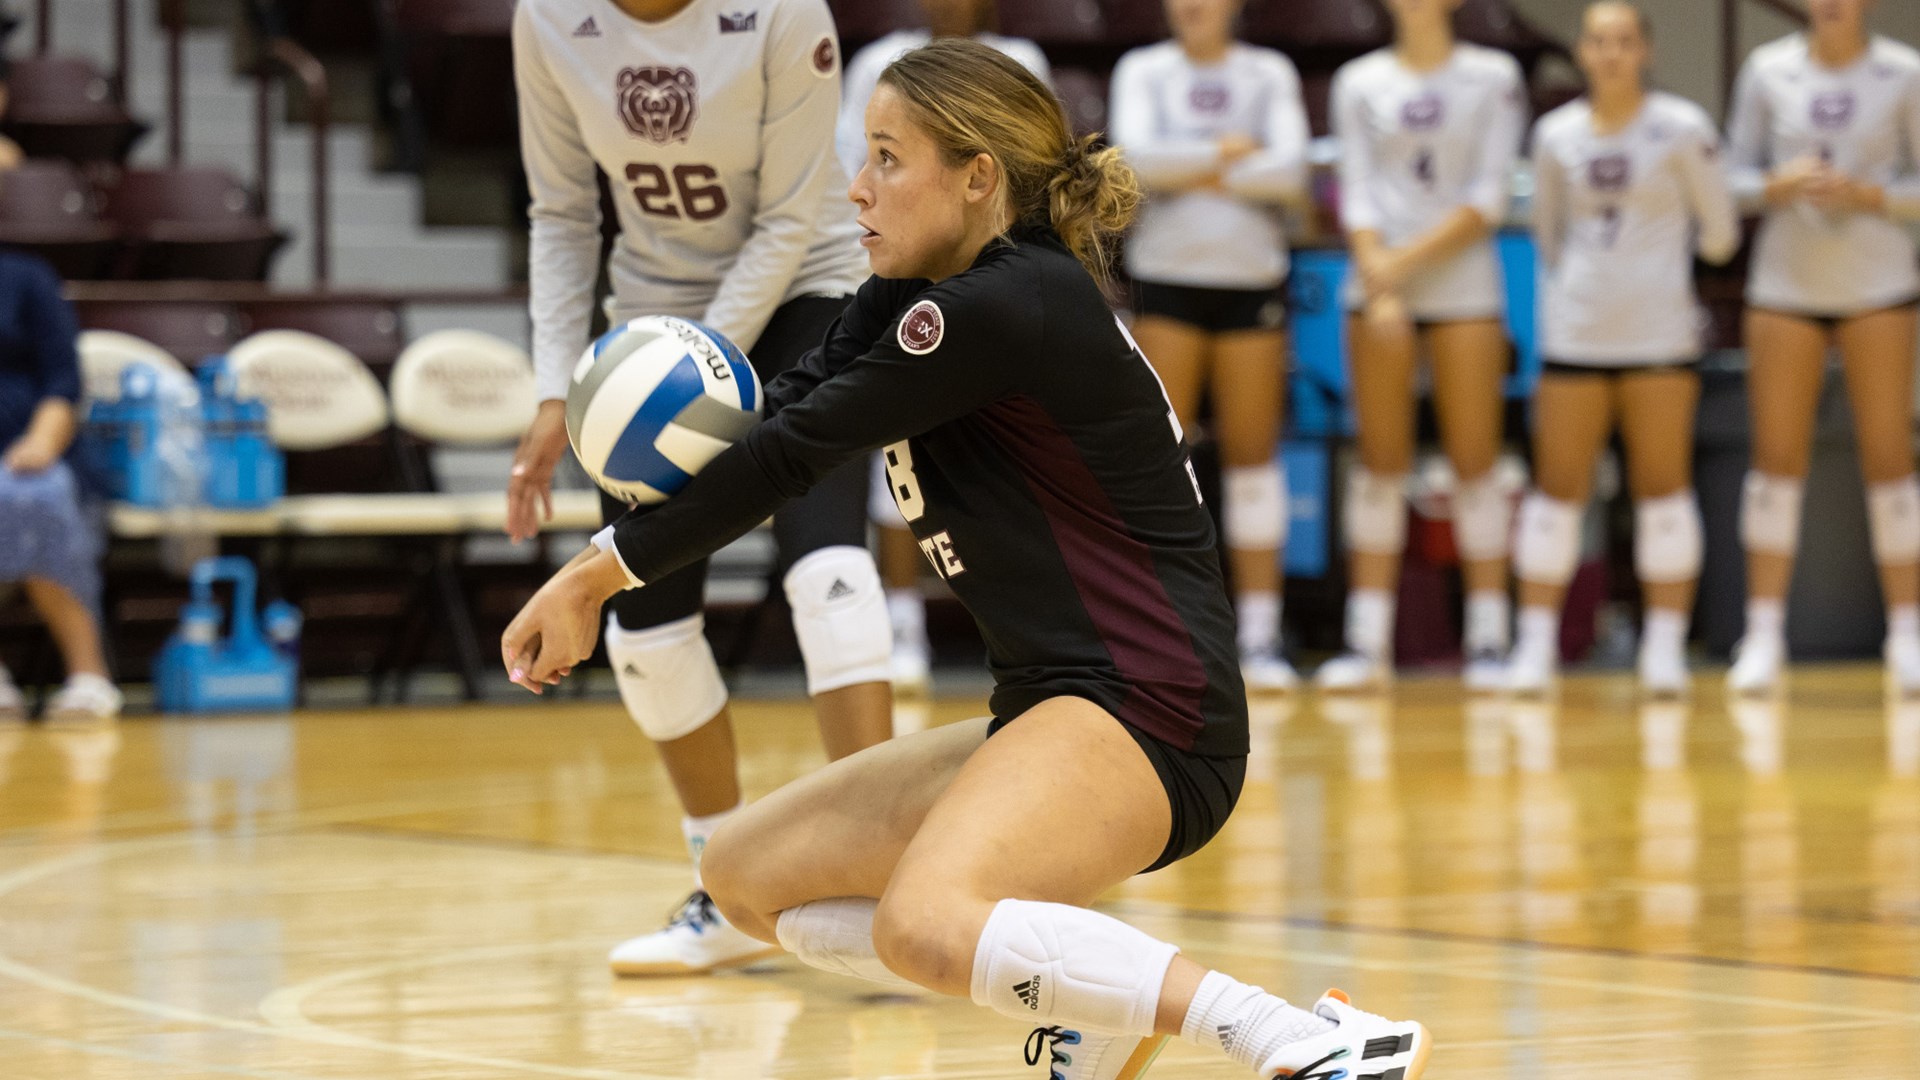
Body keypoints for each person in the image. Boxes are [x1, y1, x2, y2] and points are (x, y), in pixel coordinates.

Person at [502, 39, 1432, 1080]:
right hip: (1049, 709)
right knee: (742, 876)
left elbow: (792, 456)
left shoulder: (1004, 304)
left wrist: (594, 572)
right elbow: (779, 419)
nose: (858, 188)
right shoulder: (903, 302)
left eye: (890, 159)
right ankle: (1093, 1007)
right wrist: (664, 415)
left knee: (927, 925)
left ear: (979, 175)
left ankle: (1297, 1035)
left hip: (1152, 711)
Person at [505, 0, 894, 977]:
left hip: (804, 291)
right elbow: (561, 214)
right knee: (643, 625)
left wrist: (700, 368)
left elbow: (792, 213)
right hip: (652, 320)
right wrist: (558, 388)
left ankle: (883, 880)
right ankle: (724, 889)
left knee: (829, 569)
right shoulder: (548, 21)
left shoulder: (782, 13)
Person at [1503, 2, 1738, 696]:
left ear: (1647, 52)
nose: (1610, 54)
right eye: (1598, 41)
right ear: (1581, 52)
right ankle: (1536, 648)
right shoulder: (1555, 135)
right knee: (1558, 492)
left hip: (1660, 334)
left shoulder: (1683, 128)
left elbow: (1720, 235)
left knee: (1662, 490)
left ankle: (1663, 650)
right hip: (1577, 332)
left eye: (1624, 41)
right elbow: (1545, 233)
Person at [836, 0, 1052, 695]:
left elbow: (1036, 178)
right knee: (891, 453)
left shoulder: (1024, 60)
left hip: (992, 294)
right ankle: (903, 627)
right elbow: (854, 174)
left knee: (1011, 460)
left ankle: (1032, 634)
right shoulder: (879, 64)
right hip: (903, 275)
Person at [1317, 0, 1527, 693]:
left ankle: (1491, 639)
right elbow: (1356, 190)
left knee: (1475, 460)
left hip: (1462, 284)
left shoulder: (1493, 74)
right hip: (1378, 287)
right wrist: (1380, 279)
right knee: (1380, 461)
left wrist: (1396, 269)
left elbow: (1489, 195)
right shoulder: (1359, 80)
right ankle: (1366, 642)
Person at [1109, 0, 1310, 693]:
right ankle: (1163, 637)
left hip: (1250, 278)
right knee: (1162, 461)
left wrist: (1185, 164)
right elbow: (1133, 162)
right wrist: (1231, 154)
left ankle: (1258, 635)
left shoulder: (1269, 71)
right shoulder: (1143, 69)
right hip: (1167, 278)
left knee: (1254, 461)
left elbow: (1291, 174)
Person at [1723, 0, 1920, 695]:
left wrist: (1872, 196)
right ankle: (1764, 634)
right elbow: (1730, 179)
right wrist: (1776, 185)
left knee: (1890, 456)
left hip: (1879, 285)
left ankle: (1906, 633)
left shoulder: (1903, 72)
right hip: (1785, 286)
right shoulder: (1767, 71)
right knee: (1776, 459)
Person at [0, 250, 120, 725]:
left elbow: (63, 379)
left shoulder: (26, 278)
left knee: (30, 498)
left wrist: (41, 442)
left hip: (31, 450)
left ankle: (88, 674)